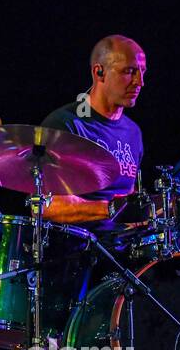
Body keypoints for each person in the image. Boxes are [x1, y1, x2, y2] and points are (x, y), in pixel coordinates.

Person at [40, 35, 146, 233]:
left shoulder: (134, 133)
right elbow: (47, 207)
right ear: (99, 72)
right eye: (129, 71)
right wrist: (111, 209)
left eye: (142, 72)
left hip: (124, 249)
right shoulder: (65, 125)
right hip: (79, 251)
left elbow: (129, 197)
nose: (140, 82)